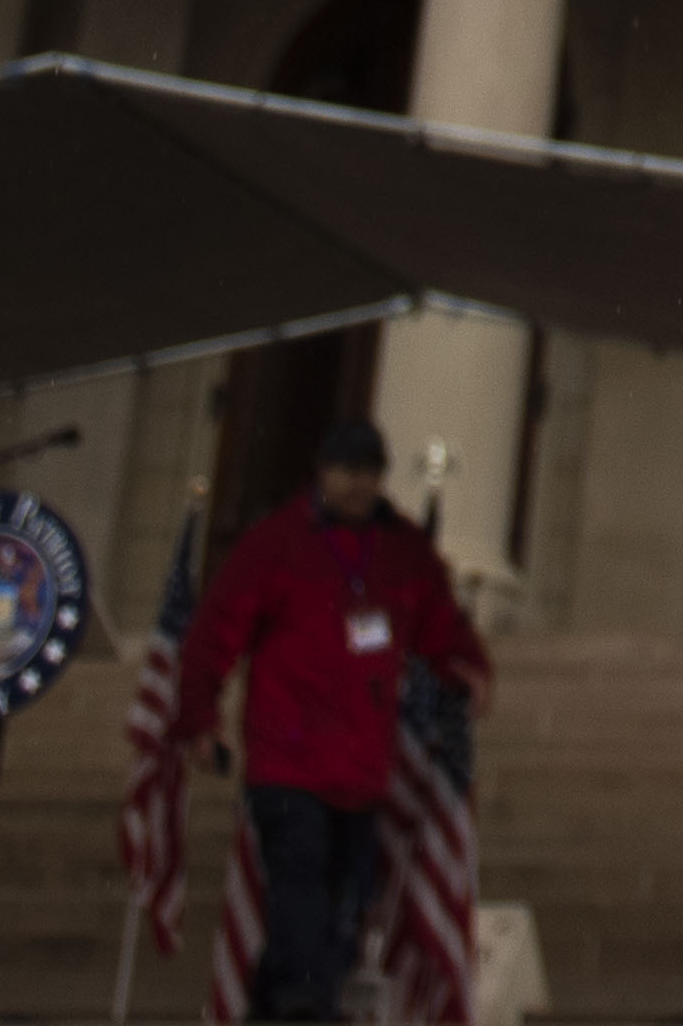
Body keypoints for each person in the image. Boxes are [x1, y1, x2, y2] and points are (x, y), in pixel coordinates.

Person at [168, 419, 491, 1021]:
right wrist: (199, 718)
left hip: (361, 764)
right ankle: (305, 1007)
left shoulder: (401, 550)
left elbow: (441, 623)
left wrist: (468, 668)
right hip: (287, 756)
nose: (357, 484)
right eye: (347, 471)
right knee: (300, 881)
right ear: (322, 471)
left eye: (368, 472)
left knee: (349, 898)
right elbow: (215, 634)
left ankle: (282, 1004)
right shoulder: (275, 544)